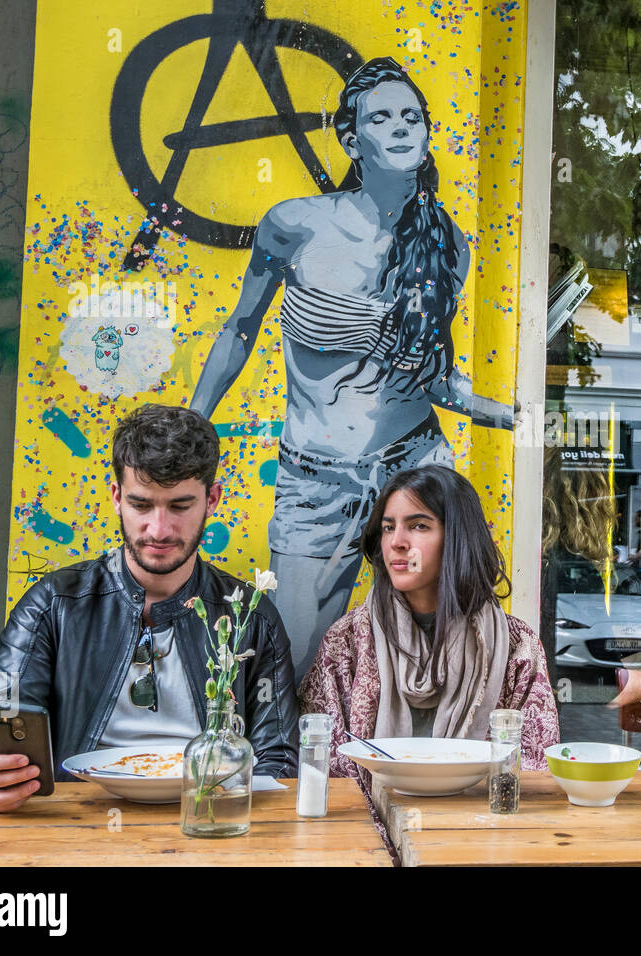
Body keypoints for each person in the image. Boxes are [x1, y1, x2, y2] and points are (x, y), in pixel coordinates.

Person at [189, 57, 513, 686]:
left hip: (416, 466)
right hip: (316, 478)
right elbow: (239, 329)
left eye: (412, 116)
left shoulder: (446, 241)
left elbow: (425, 369)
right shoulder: (295, 225)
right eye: (382, 117)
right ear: (351, 139)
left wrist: (497, 411)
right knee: (287, 671)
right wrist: (189, 431)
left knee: (435, 664)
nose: (401, 128)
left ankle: (411, 783)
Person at [0, 405, 299, 812]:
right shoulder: (53, 604)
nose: (159, 529)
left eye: (180, 506)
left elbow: (277, 759)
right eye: (141, 504)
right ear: (116, 497)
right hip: (78, 819)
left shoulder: (251, 619)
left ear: (213, 499)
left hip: (209, 816)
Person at [299, 466, 559, 787]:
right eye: (388, 527)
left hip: (481, 829)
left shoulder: (518, 648)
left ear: (458, 538)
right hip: (368, 832)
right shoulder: (346, 643)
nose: (397, 542)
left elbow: (534, 773)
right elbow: (326, 775)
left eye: (418, 525)